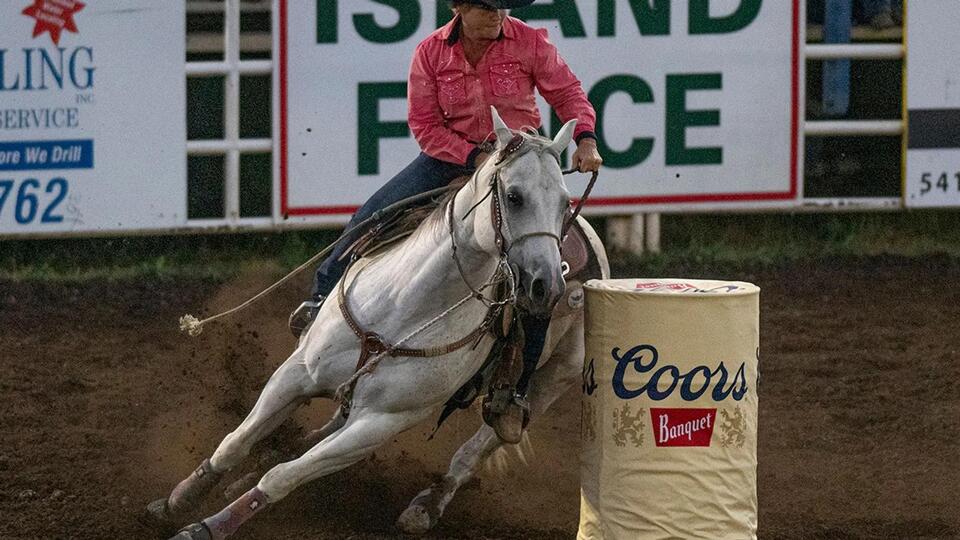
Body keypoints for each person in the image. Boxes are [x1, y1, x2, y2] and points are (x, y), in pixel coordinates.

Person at [289, 0, 602, 440]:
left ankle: (513, 391)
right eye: (485, 7)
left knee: (543, 276)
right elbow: (425, 125)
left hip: (517, 165)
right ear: (459, 8)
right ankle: (321, 302)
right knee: (371, 216)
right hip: (450, 158)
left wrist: (585, 138)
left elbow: (569, 94)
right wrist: (475, 158)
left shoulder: (530, 43)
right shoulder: (431, 53)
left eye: (501, 7)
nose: (496, 15)